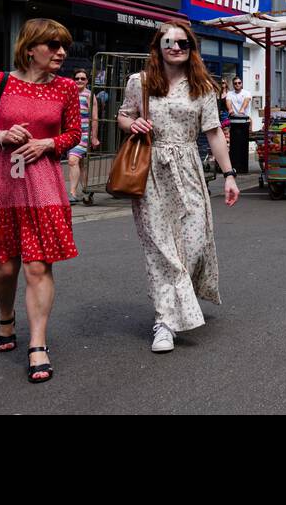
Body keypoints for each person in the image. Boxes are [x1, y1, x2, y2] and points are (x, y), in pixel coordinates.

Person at [0, 18, 82, 384]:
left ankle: (37, 343)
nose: (61, 52)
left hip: (42, 181)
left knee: (37, 265)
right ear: (30, 48)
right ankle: (5, 317)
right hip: (0, 178)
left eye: (64, 45)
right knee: (4, 266)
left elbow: (74, 133)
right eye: (52, 45)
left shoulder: (65, 88)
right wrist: (0, 134)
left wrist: (49, 143)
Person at [117, 21, 241, 354]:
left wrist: (229, 174)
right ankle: (165, 322)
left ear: (191, 48)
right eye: (168, 42)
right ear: (158, 46)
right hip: (151, 169)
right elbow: (123, 115)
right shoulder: (139, 82)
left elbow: (214, 133)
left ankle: (181, 302)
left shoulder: (202, 87)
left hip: (188, 169)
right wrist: (133, 123)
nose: (175, 48)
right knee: (161, 250)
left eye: (183, 43)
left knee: (195, 242)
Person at [66, 68, 100, 205]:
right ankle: (86, 190)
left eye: (83, 78)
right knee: (80, 163)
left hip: (84, 135)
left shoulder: (89, 96)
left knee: (72, 160)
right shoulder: (68, 94)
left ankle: (73, 193)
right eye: (77, 78)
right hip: (71, 134)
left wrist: (94, 137)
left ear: (87, 81)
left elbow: (95, 117)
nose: (79, 80)